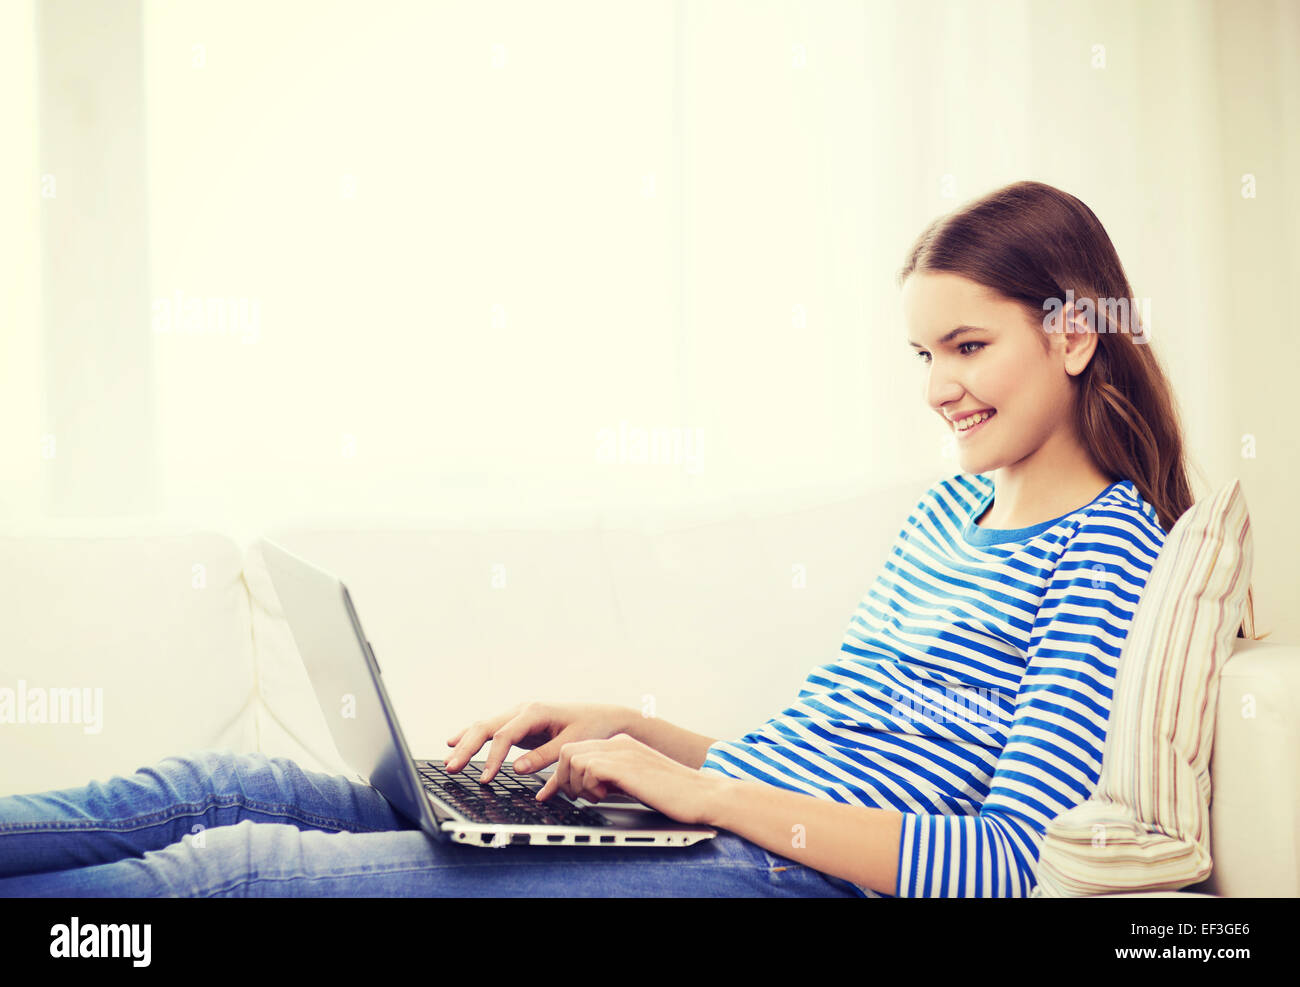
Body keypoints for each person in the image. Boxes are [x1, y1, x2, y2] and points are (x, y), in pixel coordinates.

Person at [0, 180, 1255, 898]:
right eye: (922, 354)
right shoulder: (949, 510)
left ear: (1075, 333)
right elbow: (859, 747)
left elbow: (998, 863)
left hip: (774, 877)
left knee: (238, 873)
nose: (937, 386)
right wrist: (639, 738)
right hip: (718, 822)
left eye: (969, 346)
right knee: (237, 787)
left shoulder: (1108, 555)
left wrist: (701, 797)